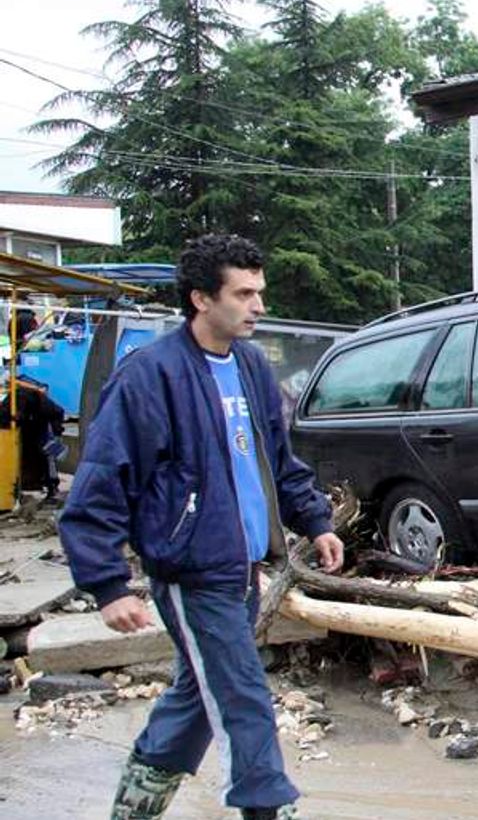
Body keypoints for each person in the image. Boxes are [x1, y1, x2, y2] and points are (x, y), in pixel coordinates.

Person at [58, 234, 343, 820]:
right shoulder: (150, 377)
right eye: (243, 293)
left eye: (259, 292)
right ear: (200, 299)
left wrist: (315, 521)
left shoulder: (252, 368)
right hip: (191, 571)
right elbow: (102, 481)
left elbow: (277, 462)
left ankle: (133, 807)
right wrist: (108, 585)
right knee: (242, 695)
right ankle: (269, 808)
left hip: (244, 566)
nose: (258, 306)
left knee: (197, 693)